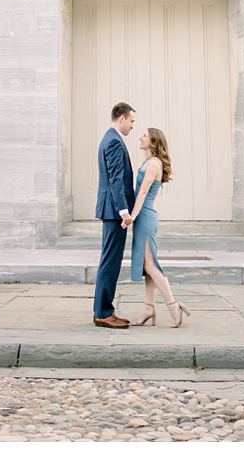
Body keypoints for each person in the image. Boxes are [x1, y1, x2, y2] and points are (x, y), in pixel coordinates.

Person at [128, 125, 191, 328]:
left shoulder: (154, 163)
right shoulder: (149, 162)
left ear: (153, 141)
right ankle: (148, 308)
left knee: (151, 266)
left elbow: (143, 192)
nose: (140, 138)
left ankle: (173, 305)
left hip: (145, 217)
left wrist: (132, 216)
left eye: (144, 136)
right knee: (147, 266)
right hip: (143, 218)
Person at [92, 100, 135, 329]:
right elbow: (116, 179)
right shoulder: (114, 142)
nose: (132, 126)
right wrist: (124, 211)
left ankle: (102, 310)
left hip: (111, 209)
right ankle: (104, 313)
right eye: (131, 121)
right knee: (110, 261)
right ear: (122, 118)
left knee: (109, 260)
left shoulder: (110, 139)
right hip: (114, 211)